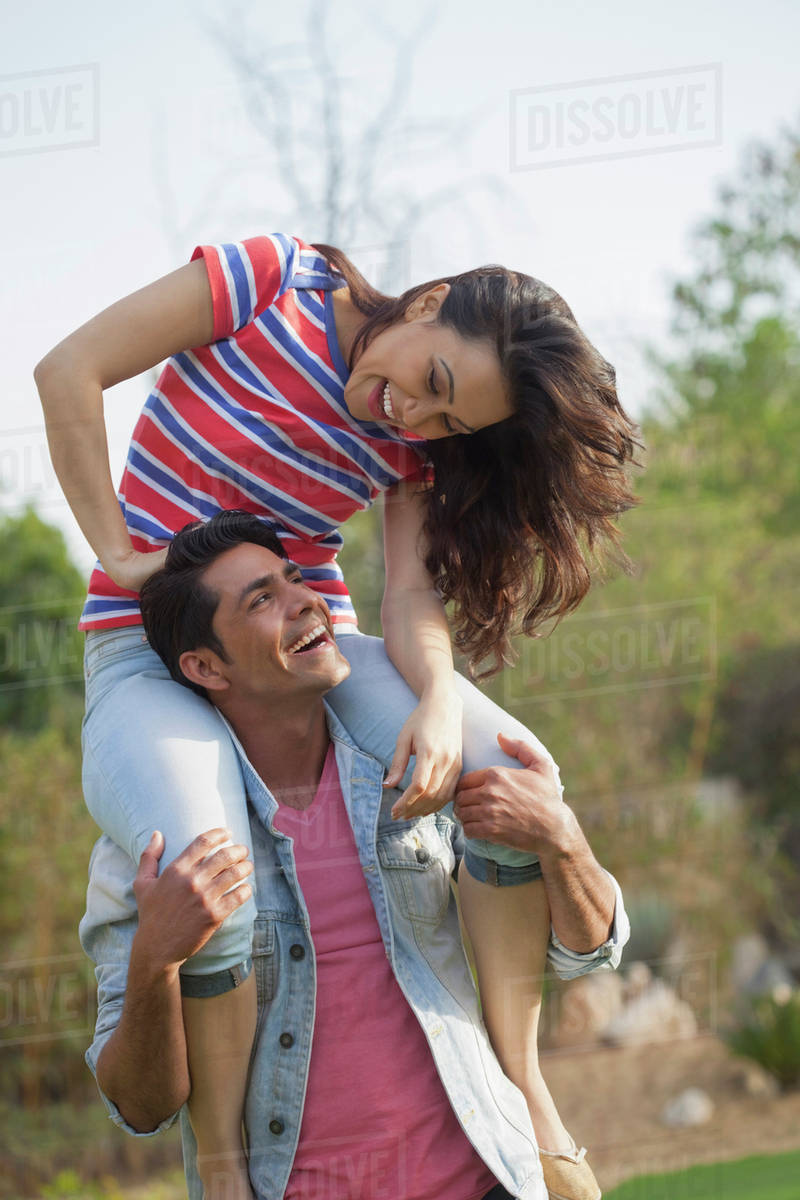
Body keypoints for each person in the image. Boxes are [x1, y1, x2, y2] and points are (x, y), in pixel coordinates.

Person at [35, 233, 640, 1199]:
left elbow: (406, 592)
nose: (414, 412)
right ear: (428, 297)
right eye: (429, 377)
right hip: (141, 649)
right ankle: (229, 1173)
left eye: (446, 418)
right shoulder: (270, 280)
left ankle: (525, 1097)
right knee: (208, 866)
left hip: (304, 631)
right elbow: (69, 367)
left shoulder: (411, 443)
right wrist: (117, 549)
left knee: (517, 766)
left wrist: (440, 702)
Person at [79, 511, 631, 1200]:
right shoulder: (162, 848)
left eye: (293, 579)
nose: (305, 599)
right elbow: (140, 1105)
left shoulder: (411, 768)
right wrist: (154, 962)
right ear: (204, 666)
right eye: (261, 600)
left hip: (490, 1178)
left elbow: (587, 953)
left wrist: (563, 838)